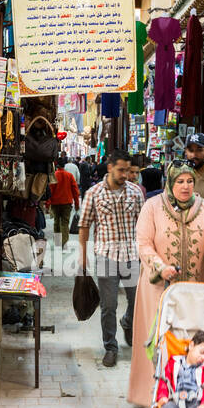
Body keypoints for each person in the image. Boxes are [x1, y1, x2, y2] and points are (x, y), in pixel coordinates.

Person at [128, 162, 204, 407]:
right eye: (179, 181)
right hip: (158, 290)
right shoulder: (152, 207)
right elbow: (143, 243)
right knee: (158, 340)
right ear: (170, 182)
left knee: (191, 341)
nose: (185, 187)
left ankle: (190, 396)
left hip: (194, 291)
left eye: (189, 181)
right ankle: (151, 397)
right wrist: (159, 266)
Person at [78, 152, 144, 367]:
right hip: (106, 256)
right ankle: (110, 346)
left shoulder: (135, 192)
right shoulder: (93, 193)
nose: (126, 174)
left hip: (133, 256)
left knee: (137, 302)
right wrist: (82, 256)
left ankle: (127, 322)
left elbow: (143, 226)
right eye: (121, 170)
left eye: (128, 170)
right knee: (108, 306)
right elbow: (84, 225)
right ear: (110, 168)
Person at [47, 157, 80, 248]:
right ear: (64, 165)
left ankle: (57, 242)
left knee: (56, 221)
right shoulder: (69, 176)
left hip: (55, 203)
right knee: (65, 223)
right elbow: (75, 191)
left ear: (57, 166)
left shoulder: (54, 175)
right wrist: (77, 204)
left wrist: (48, 203)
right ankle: (64, 243)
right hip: (67, 203)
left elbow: (50, 191)